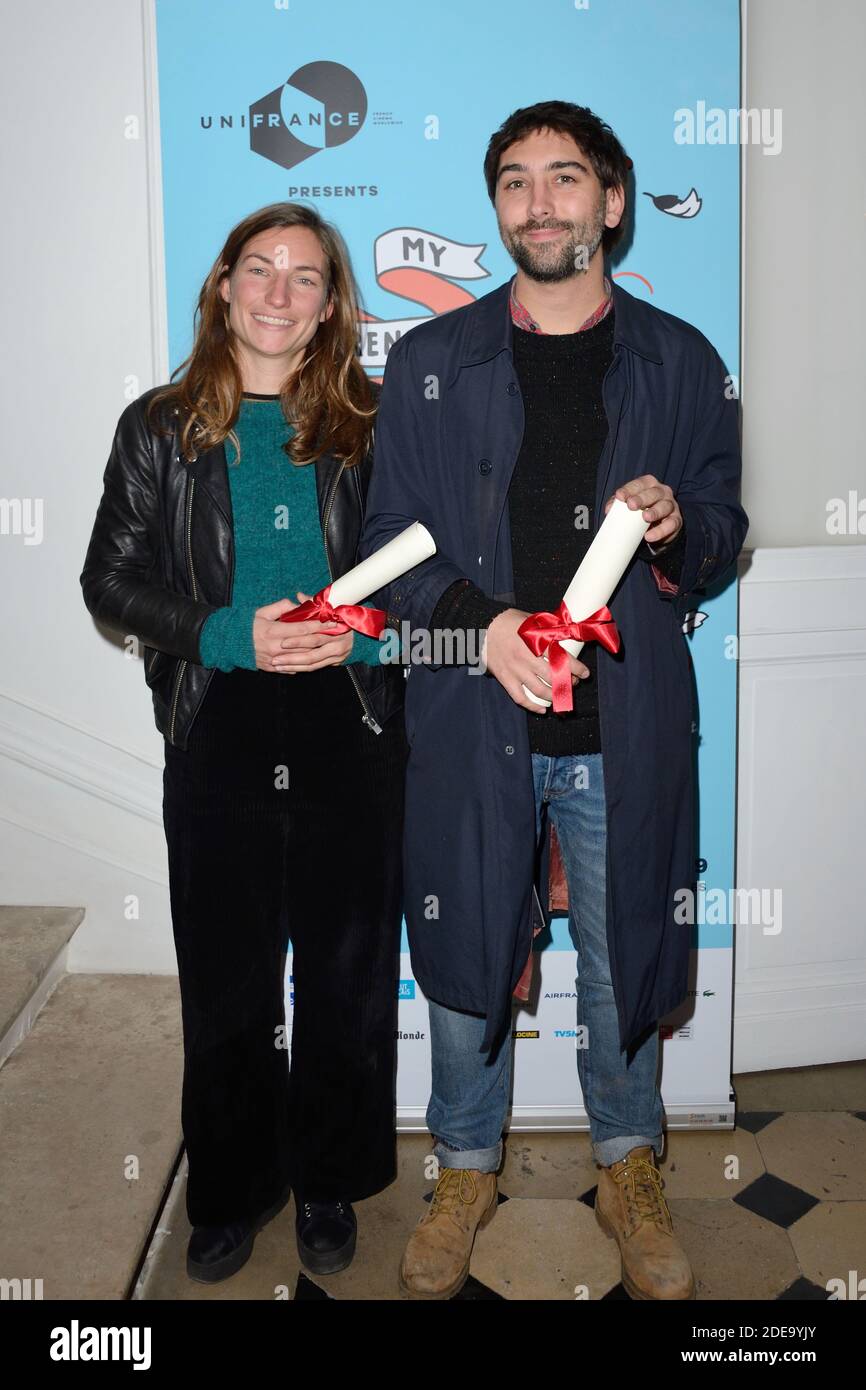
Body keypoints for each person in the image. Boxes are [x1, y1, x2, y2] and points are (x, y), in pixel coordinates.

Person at [360, 101, 748, 1300]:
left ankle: (628, 1158)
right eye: (516, 182)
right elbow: (389, 543)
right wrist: (481, 632)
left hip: (619, 723)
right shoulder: (431, 362)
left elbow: (723, 528)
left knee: (624, 945)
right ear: (498, 208)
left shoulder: (679, 359)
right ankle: (464, 1162)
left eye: (564, 178)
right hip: (477, 715)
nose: (538, 202)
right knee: (468, 939)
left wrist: (684, 525)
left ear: (610, 202)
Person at [80, 202, 407, 1283]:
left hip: (346, 721)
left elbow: (418, 573)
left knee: (345, 973)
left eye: (303, 276)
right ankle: (228, 1187)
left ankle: (326, 1179)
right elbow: (110, 582)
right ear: (222, 287)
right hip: (216, 716)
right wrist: (229, 632)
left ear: (330, 304)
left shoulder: (373, 420)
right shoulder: (157, 426)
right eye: (257, 270)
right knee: (225, 977)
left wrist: (354, 634)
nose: (277, 293)